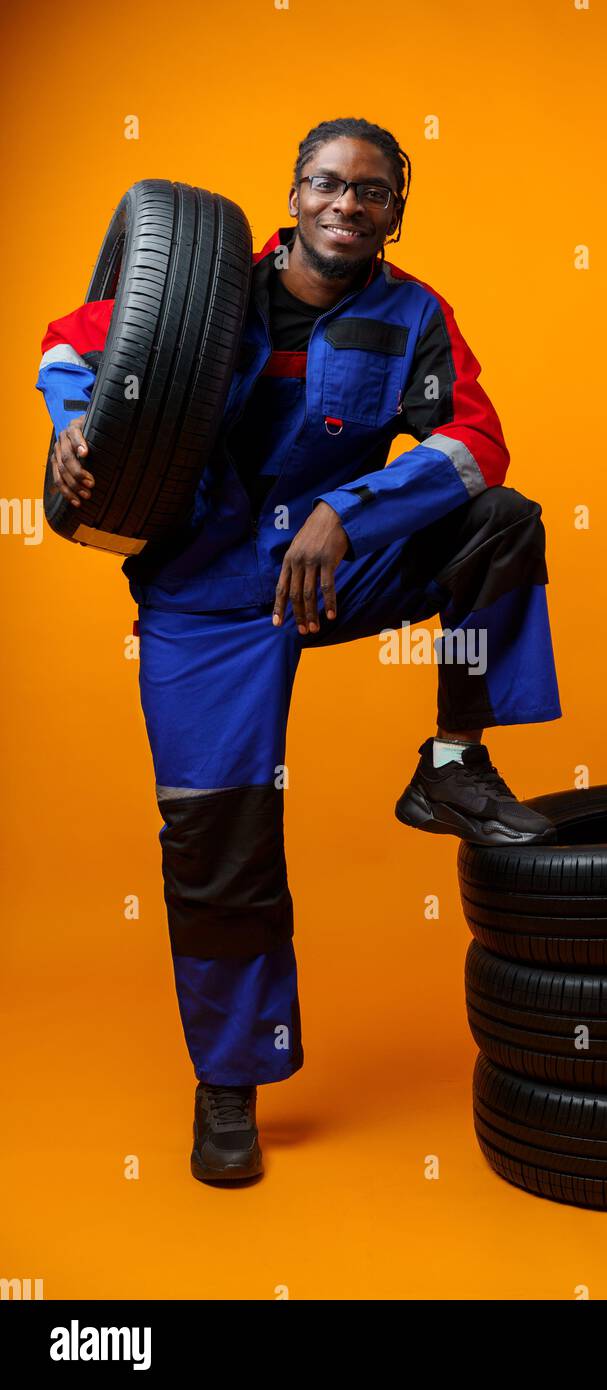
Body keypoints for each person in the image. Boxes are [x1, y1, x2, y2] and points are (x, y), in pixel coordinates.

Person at [36, 117, 563, 1184]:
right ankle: (228, 1078)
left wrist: (352, 508)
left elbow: (474, 442)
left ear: (392, 212)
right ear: (293, 192)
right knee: (217, 845)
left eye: (369, 192)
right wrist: (72, 418)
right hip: (204, 595)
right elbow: (68, 341)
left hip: (329, 568)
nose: (344, 205)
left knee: (502, 518)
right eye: (326, 183)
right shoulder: (210, 284)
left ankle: (452, 767)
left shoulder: (413, 313)